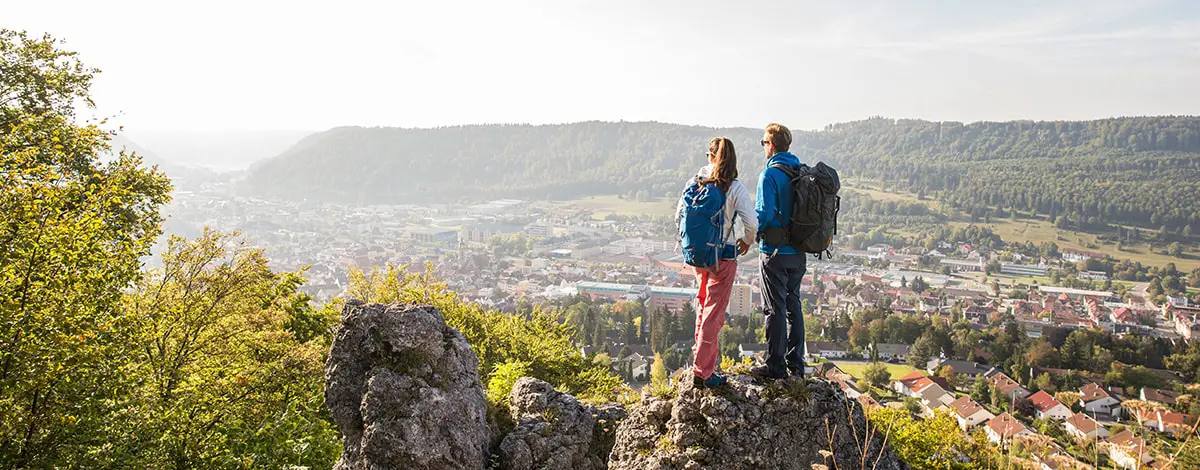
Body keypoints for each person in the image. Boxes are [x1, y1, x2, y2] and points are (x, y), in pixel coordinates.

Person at [677, 137, 756, 388]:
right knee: (714, 313)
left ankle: (698, 361)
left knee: (702, 305)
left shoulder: (695, 182)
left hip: (698, 255)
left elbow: (678, 216)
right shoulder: (734, 187)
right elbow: (751, 223)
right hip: (723, 257)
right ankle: (703, 372)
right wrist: (746, 241)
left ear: (709, 156)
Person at [750, 123, 808, 379]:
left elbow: (763, 215)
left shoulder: (770, 175)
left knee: (774, 309)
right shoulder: (800, 171)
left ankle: (775, 367)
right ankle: (796, 365)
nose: (764, 147)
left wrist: (750, 234)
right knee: (794, 306)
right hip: (799, 250)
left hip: (774, 251)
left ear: (771, 145)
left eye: (764, 142)